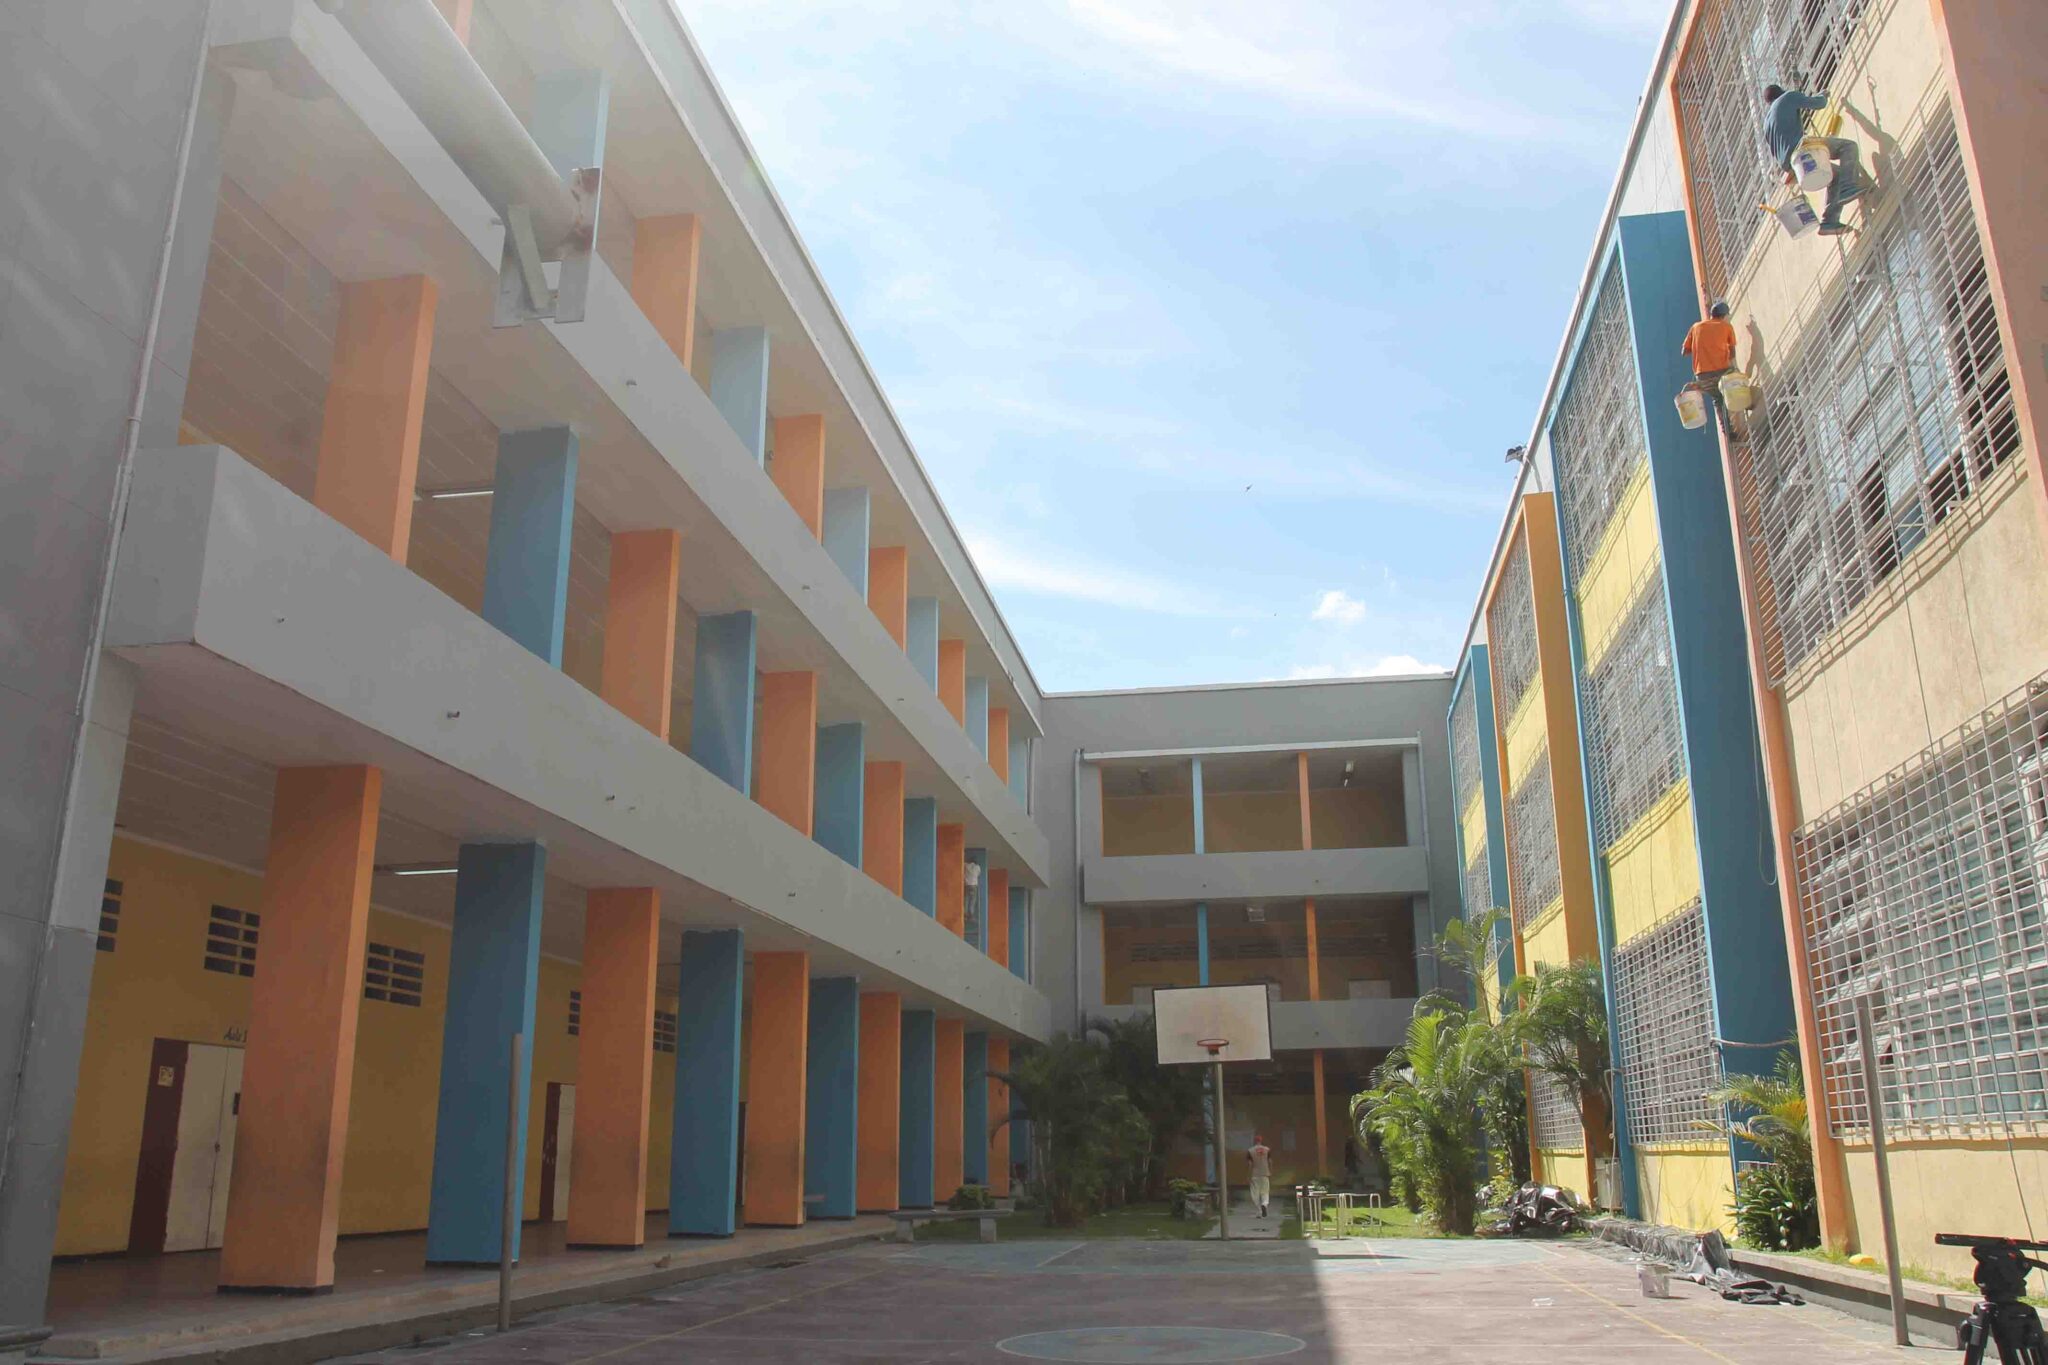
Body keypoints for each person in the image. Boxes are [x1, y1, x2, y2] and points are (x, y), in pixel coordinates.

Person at [1763, 83, 1866, 236]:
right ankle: (1847, 187)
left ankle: (1829, 220)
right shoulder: (1788, 97)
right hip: (1803, 149)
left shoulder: (1766, 124)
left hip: (1792, 165)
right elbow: (1819, 104)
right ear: (1781, 91)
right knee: (1848, 147)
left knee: (1835, 176)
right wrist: (1823, 95)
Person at [1681, 299, 1740, 439]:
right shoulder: (1726, 327)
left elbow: (1684, 351)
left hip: (1703, 376)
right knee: (1736, 383)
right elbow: (1732, 352)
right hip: (1722, 371)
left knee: (1717, 400)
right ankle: (1746, 402)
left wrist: (1698, 348)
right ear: (1724, 315)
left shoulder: (1696, 327)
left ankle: (1727, 431)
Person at [1247, 1134, 1273, 1219]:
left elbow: (1250, 1164)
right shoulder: (1267, 1150)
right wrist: (1270, 1171)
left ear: (1255, 1141)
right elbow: (1270, 1161)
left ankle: (1259, 1211)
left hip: (1255, 1175)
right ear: (1261, 1140)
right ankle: (1264, 1204)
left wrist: (1248, 1175)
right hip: (1265, 1174)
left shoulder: (1250, 1151)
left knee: (1255, 1193)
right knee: (1265, 1191)